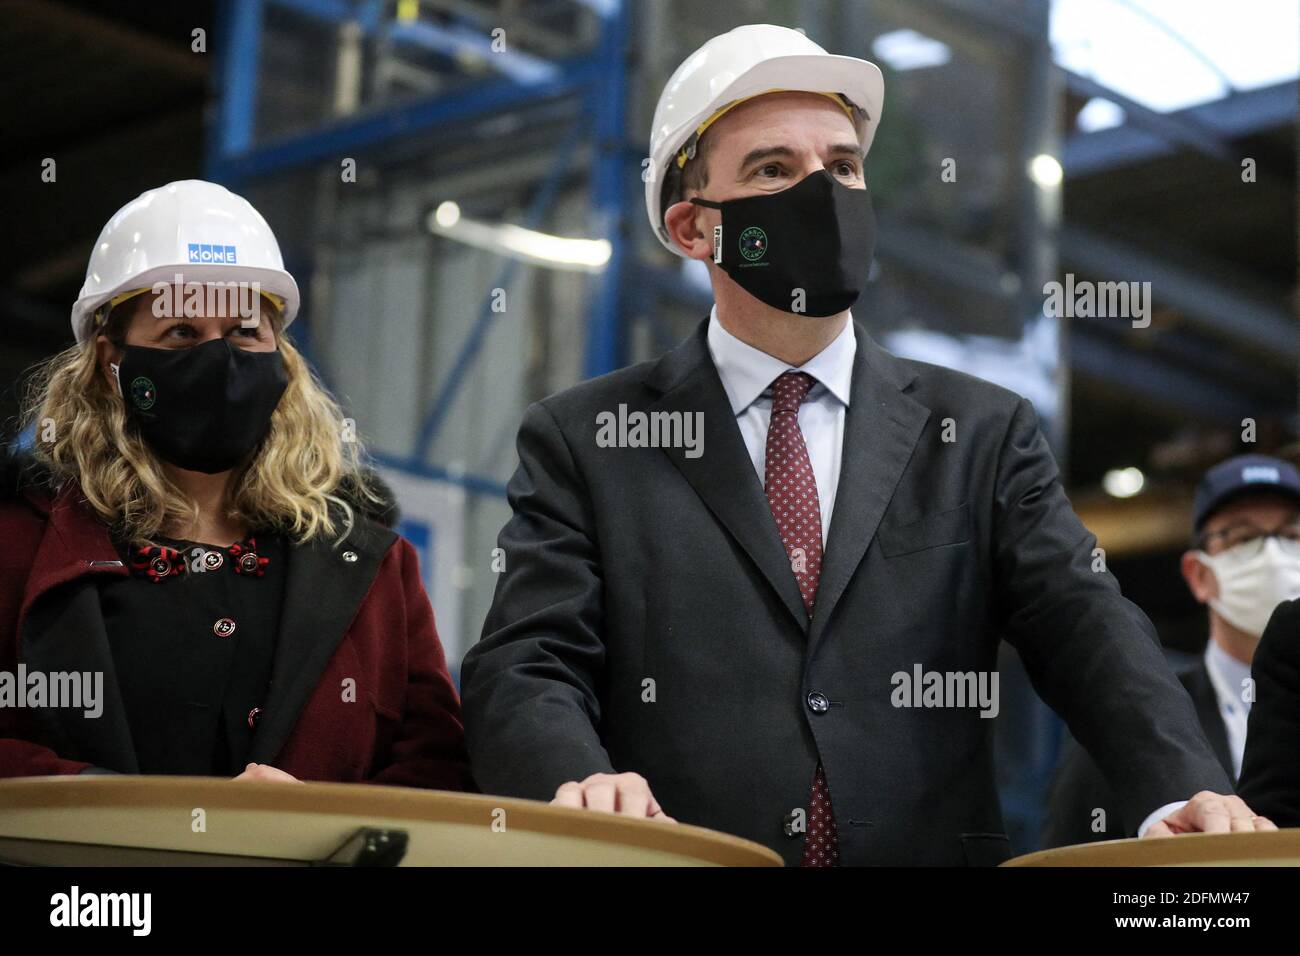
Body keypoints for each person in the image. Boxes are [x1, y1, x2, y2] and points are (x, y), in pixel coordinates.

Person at [459, 24, 1272, 865]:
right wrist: (577, 785)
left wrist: (1180, 787)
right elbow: (528, 658)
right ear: (695, 228)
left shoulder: (981, 432)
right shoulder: (589, 440)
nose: (825, 192)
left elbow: (1084, 621)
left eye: (843, 167)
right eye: (775, 169)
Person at [0, 180, 472, 790]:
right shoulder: (20, 542)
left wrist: (309, 829)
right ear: (109, 362)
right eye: (180, 334)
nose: (219, 360)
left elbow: (436, 769)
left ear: (280, 354)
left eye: (245, 333)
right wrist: (141, 819)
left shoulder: (372, 567)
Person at [1043, 454, 1300, 846]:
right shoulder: (1133, 721)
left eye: (1292, 536)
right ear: (1199, 575)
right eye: (1244, 538)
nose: (1273, 556)